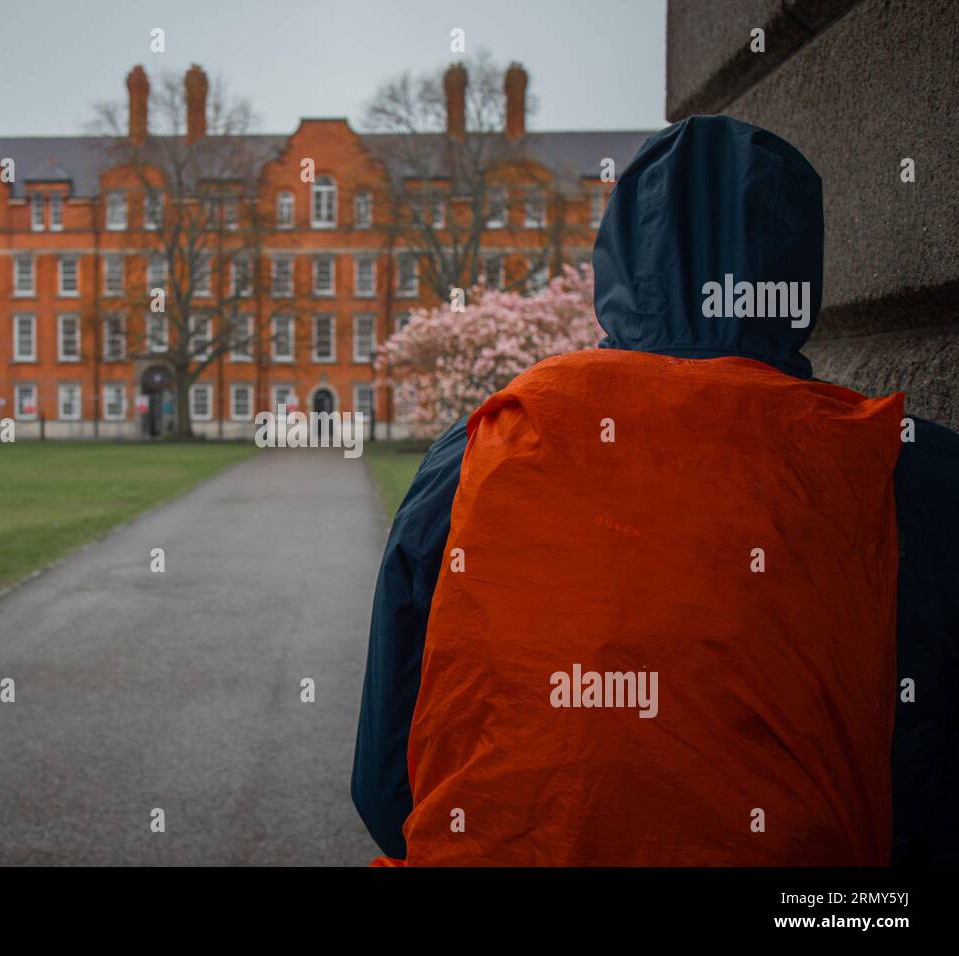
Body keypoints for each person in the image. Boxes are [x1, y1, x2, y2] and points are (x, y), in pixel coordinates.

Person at [351, 115, 959, 866]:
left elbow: (386, 789)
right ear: (798, 270)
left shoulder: (481, 445)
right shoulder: (908, 469)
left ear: (618, 259)